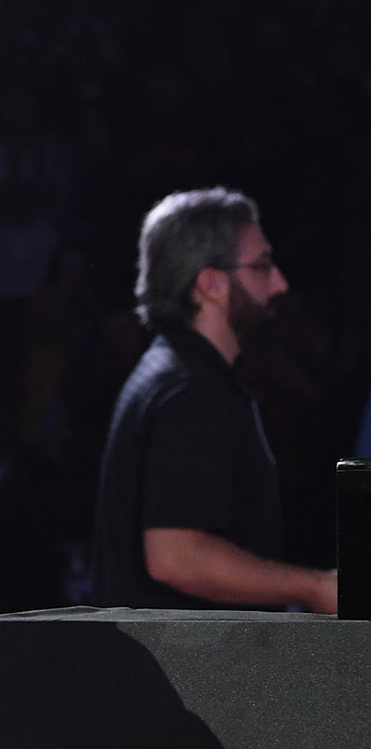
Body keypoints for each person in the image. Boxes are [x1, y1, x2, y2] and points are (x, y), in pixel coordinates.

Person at [94, 188, 335, 613]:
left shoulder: (175, 373)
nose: (279, 283)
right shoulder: (190, 390)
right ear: (210, 284)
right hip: (178, 658)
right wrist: (314, 587)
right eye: (262, 267)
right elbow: (176, 556)